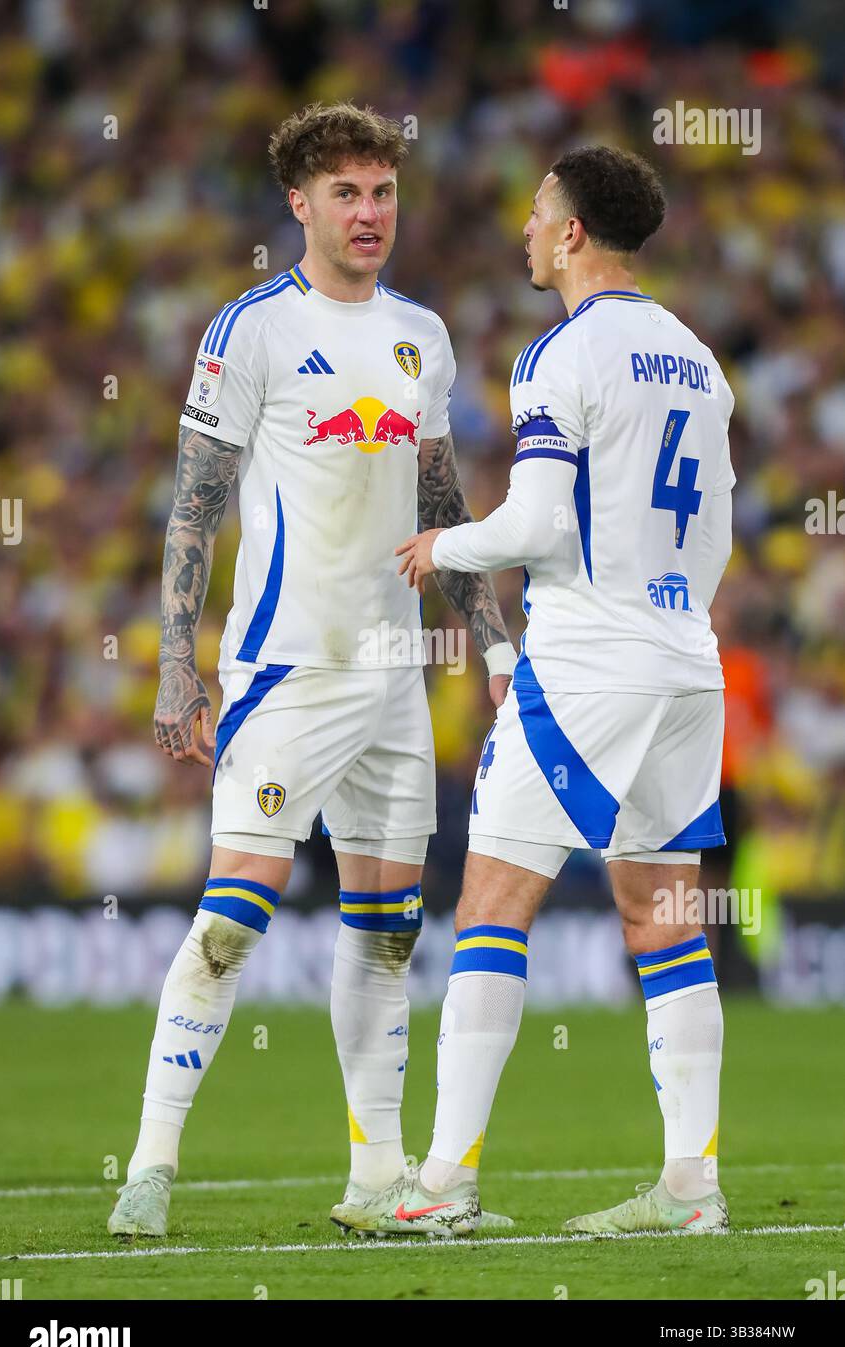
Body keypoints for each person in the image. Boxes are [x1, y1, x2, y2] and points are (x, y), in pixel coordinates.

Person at [108, 101, 515, 1238]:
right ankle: (149, 1166)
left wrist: (490, 642)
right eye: (345, 192)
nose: (370, 211)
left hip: (393, 677)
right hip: (286, 668)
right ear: (298, 204)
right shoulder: (251, 330)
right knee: (232, 921)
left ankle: (376, 1175)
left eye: (382, 190)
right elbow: (192, 507)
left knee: (385, 933)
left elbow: (442, 510)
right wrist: (177, 670)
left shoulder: (421, 336)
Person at [331, 146, 735, 1237]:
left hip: (589, 658)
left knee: (491, 901)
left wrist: (441, 544)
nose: (522, 224)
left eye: (537, 210)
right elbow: (719, 533)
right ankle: (690, 1187)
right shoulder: (697, 360)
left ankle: (439, 1184)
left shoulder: (562, 354)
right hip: (684, 657)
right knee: (662, 914)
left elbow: (540, 525)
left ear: (568, 234)